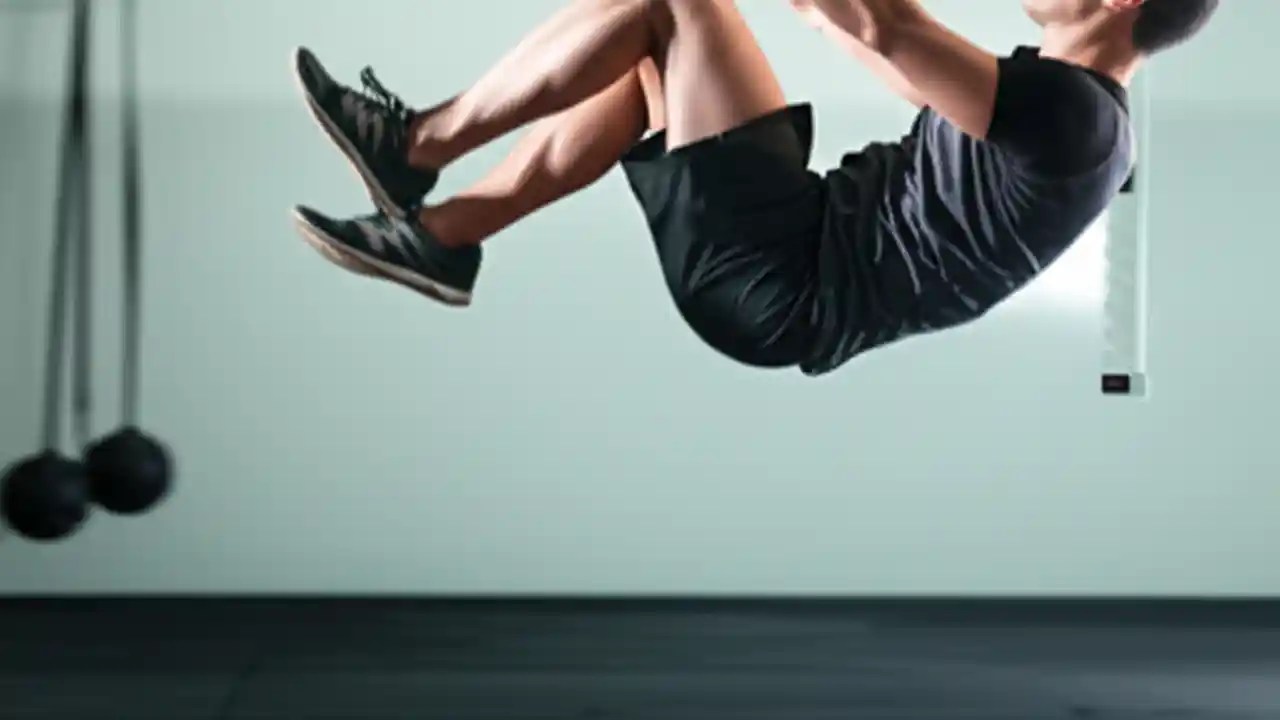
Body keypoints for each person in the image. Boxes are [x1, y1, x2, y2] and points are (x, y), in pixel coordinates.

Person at [290, 0, 1217, 375]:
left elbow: (882, 24)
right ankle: (444, 234)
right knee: (642, 63)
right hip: (788, 256)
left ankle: (415, 146)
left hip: (785, 279)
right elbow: (882, 49)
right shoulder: (1064, 113)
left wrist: (847, 14)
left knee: (666, 6)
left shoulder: (1077, 120)